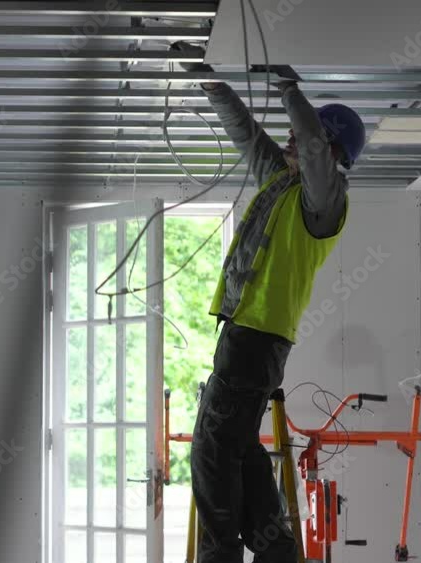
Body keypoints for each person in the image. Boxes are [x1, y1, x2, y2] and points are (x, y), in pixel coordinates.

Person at [171, 43, 366, 563]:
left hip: (255, 339)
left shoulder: (324, 204)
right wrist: (211, 83)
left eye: (304, 139)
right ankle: (277, 550)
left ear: (328, 150)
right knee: (240, 450)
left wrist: (289, 90)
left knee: (212, 451)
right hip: (250, 338)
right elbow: (248, 135)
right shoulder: (282, 185)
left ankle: (220, 555)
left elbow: (313, 146)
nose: (289, 141)